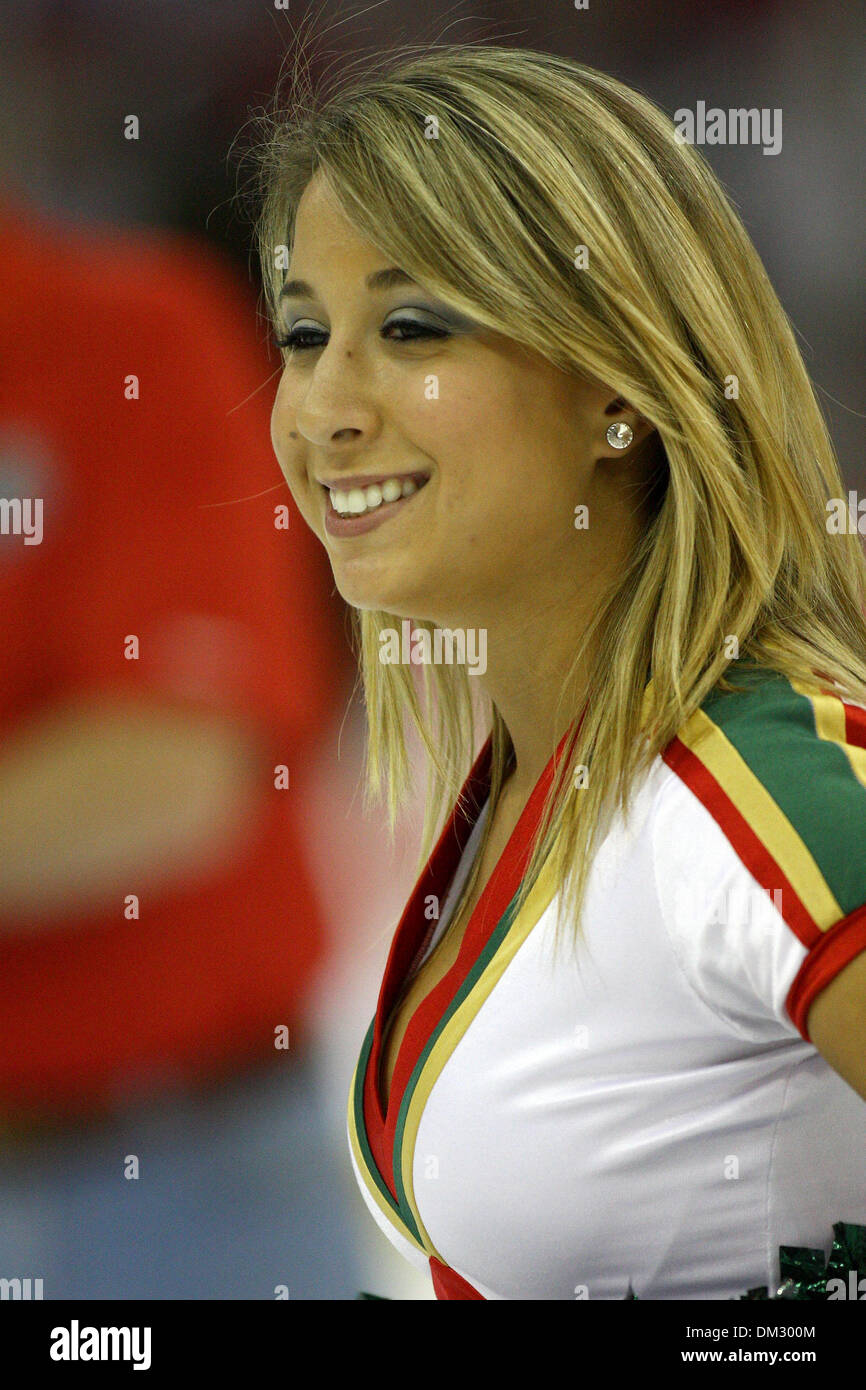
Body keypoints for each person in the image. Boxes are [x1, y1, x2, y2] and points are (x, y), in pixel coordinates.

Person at [255, 43, 866, 1299]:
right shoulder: (538, 772)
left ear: (614, 392)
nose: (322, 405)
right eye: (304, 333)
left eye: (410, 325)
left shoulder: (770, 789)